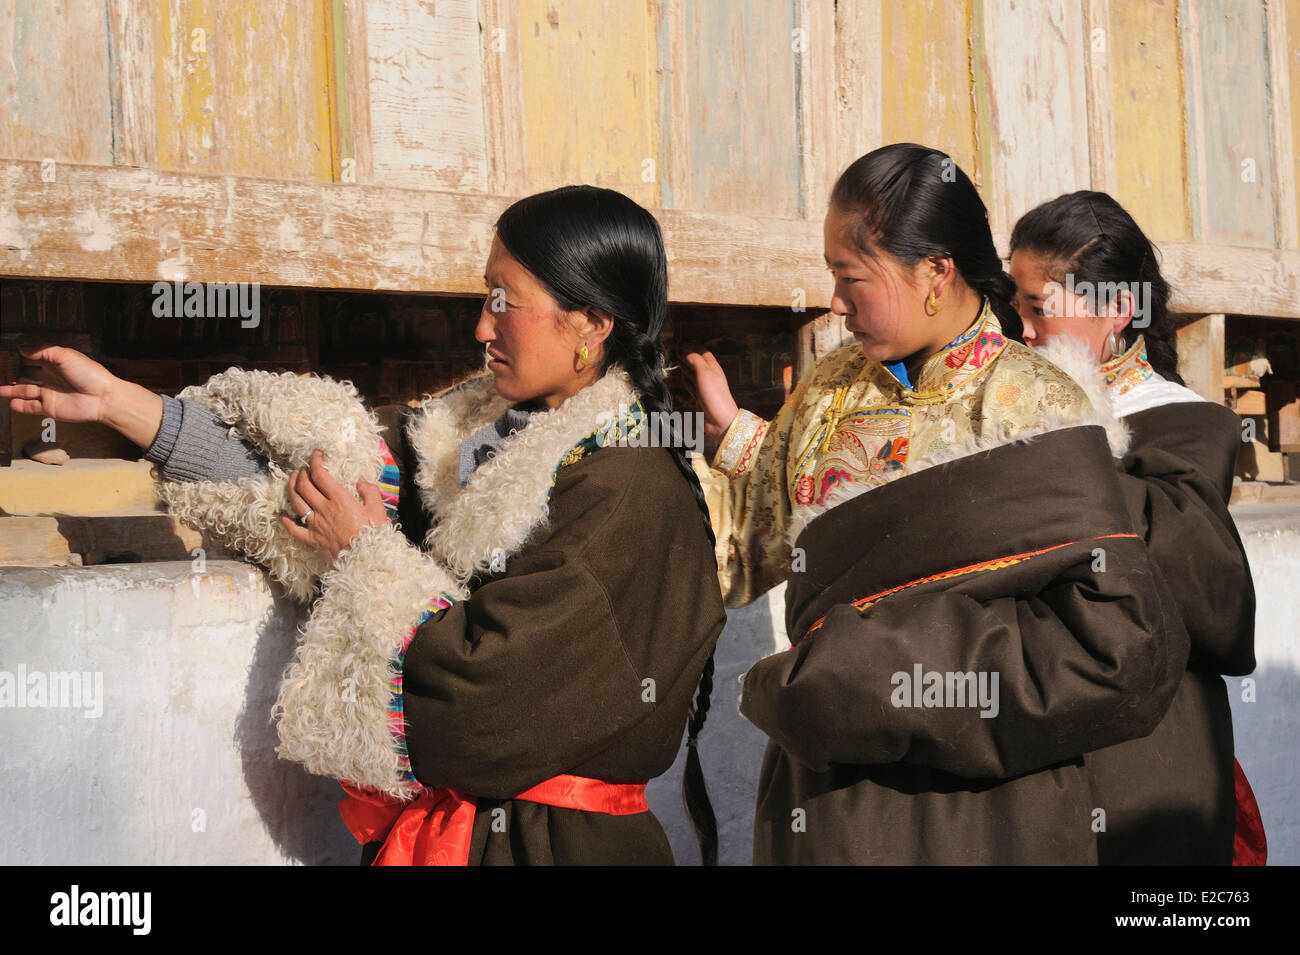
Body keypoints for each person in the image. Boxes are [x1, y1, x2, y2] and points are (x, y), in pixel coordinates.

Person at [1, 185, 727, 866]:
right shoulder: (479, 440)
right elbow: (315, 477)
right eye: (485, 294)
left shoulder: (627, 491)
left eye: (505, 301)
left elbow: (482, 703)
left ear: (592, 324)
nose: (481, 325)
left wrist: (365, 553)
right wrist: (132, 409)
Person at [683, 143, 1190, 864]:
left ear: (934, 272)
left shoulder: (1037, 403)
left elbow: (1108, 638)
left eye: (850, 276)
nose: (833, 301)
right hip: (828, 799)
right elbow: (744, 541)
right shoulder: (829, 391)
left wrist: (885, 675)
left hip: (985, 808)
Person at [1009, 189, 1265, 865]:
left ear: (1119, 309)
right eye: (1017, 306)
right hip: (1045, 749)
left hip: (1152, 757)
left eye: (1038, 306)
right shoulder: (1020, 410)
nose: (1023, 330)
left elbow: (1193, 581)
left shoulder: (1185, 424)